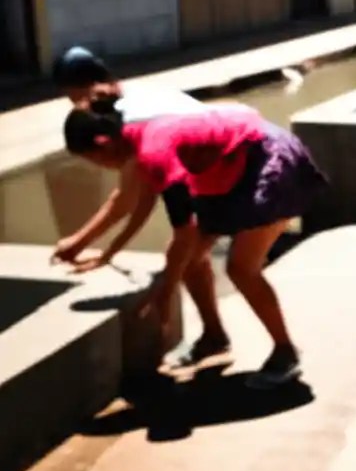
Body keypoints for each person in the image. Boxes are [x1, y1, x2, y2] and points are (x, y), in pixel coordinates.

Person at [63, 100, 328, 388]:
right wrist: (108, 253)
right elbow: (141, 206)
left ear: (103, 143)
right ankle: (214, 337)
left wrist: (166, 289)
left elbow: (185, 230)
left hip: (265, 157)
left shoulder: (154, 150)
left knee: (241, 267)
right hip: (225, 169)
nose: (99, 167)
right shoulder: (136, 142)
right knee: (188, 260)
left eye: (93, 160)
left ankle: (286, 352)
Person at [50, 47, 210, 272]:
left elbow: (129, 199)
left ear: (89, 89)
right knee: (191, 252)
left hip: (218, 162)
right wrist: (96, 248)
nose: (77, 106)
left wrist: (84, 243)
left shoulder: (130, 119)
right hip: (215, 160)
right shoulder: (130, 95)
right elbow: (141, 195)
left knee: (189, 253)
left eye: (74, 98)